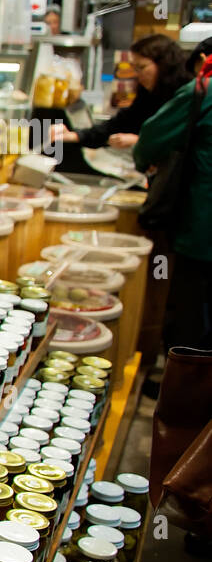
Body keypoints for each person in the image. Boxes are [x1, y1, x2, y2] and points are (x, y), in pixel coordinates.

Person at [132, 53, 212, 350]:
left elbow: (150, 141)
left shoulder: (201, 92)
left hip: (202, 226)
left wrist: (146, 162)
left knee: (191, 311)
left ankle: (183, 387)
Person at [50, 35, 191, 151]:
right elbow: (124, 122)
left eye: (141, 67)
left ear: (164, 64)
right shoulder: (149, 92)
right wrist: (76, 136)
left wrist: (138, 140)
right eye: (134, 68)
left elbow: (181, 138)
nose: (137, 74)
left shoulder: (186, 94)